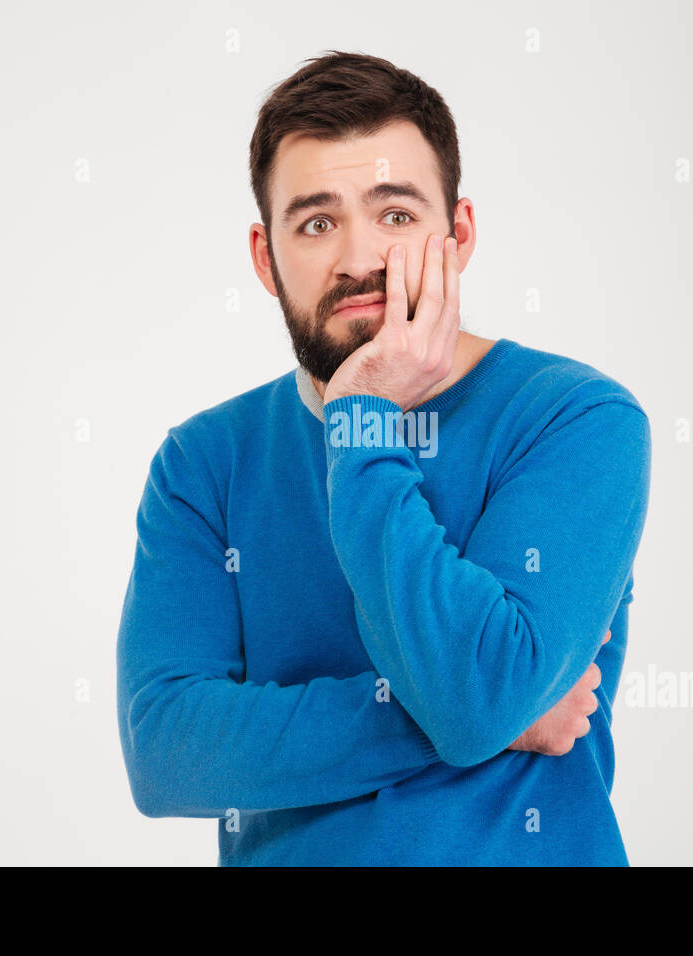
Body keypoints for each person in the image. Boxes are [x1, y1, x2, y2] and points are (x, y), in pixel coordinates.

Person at [115, 50, 652, 865]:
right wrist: (490, 714)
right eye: (317, 222)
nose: (360, 259)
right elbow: (166, 754)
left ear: (458, 234)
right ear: (265, 258)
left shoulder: (575, 419)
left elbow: (473, 699)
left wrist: (361, 421)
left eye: (396, 215)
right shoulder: (204, 462)